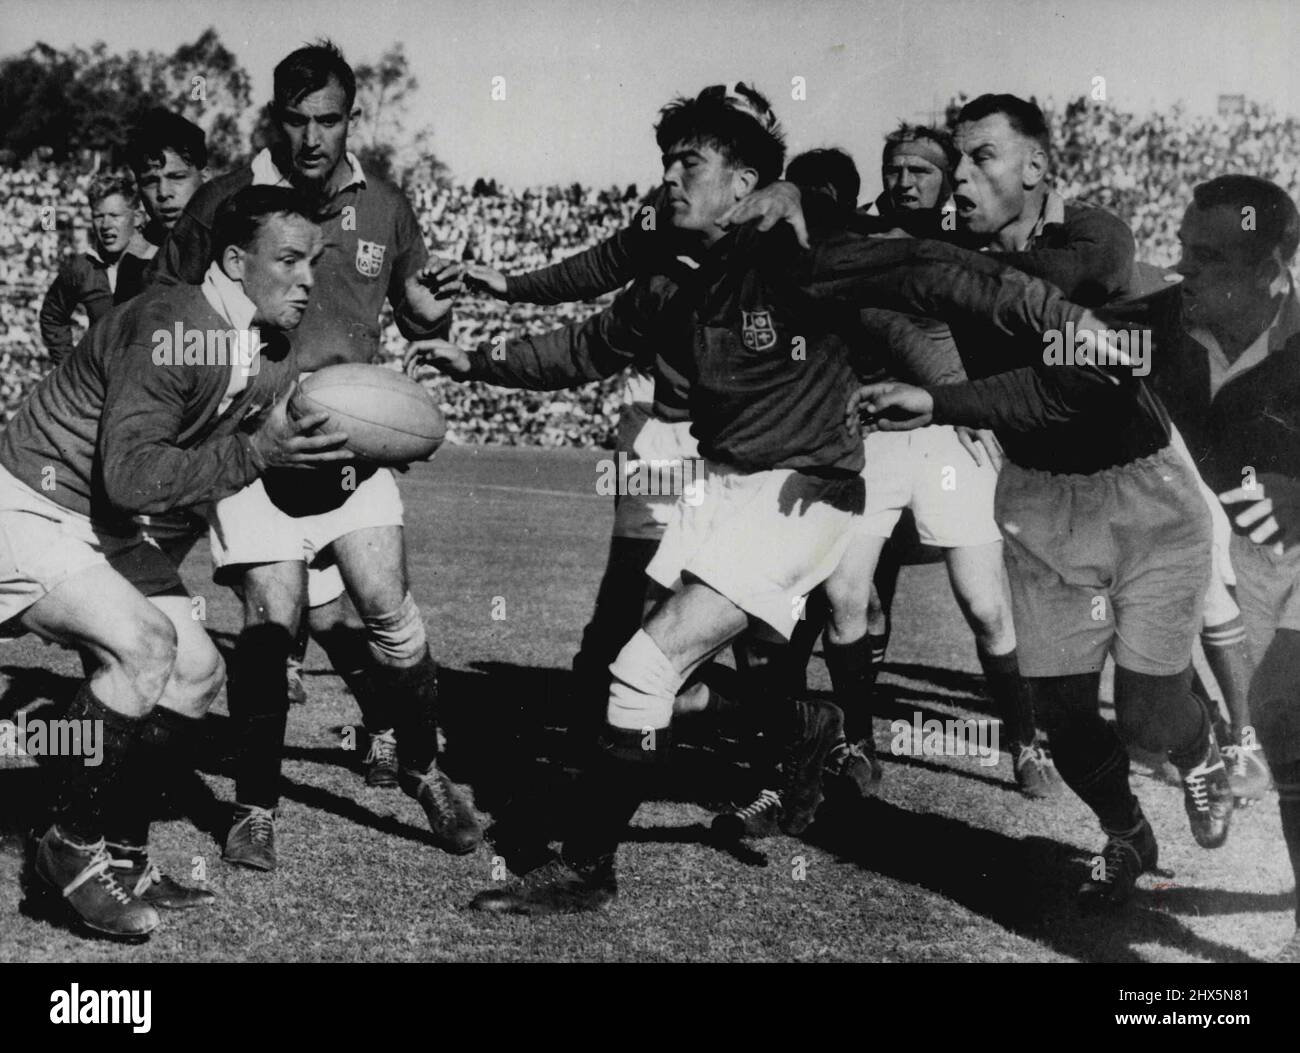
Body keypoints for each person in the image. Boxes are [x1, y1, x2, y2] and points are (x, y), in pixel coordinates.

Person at [415, 82, 1131, 916]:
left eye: (691, 163)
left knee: (642, 666)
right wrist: (477, 362)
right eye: (666, 163)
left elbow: (935, 272)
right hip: (715, 491)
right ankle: (806, 727)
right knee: (670, 688)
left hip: (803, 495)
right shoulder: (672, 280)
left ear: (748, 183)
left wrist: (1062, 324)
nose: (670, 180)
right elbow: (587, 346)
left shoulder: (802, 258)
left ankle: (586, 865)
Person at [152, 40, 473, 869]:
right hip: (255, 446)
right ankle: (255, 808)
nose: (311, 137)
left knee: (392, 616)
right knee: (270, 624)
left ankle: (426, 767)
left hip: (352, 452)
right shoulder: (228, 200)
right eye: (295, 120)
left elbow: (416, 307)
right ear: (274, 120)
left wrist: (434, 314)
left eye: (327, 119)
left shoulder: (389, 207)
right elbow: (162, 300)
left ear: (350, 118)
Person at [1, 186, 348, 938]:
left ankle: (125, 854)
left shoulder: (246, 340)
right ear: (233, 260)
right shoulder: (174, 323)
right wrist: (257, 453)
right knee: (145, 646)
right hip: (28, 502)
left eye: (314, 262)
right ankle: (66, 849)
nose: (308, 278)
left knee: (194, 672)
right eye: (288, 259)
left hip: (99, 518)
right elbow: (133, 474)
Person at [1148, 175, 1300, 960]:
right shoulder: (1162, 324)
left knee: (1290, 726)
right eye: (1181, 250)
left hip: (1287, 555)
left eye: (1205, 259)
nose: (1183, 272)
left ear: (1273, 267)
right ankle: (1209, 744)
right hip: (1194, 560)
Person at [39, 176, 144, 366]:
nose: (105, 225)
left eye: (115, 216)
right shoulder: (82, 268)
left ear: (136, 218)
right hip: (101, 385)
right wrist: (67, 366)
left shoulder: (157, 262)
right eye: (98, 216)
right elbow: (52, 315)